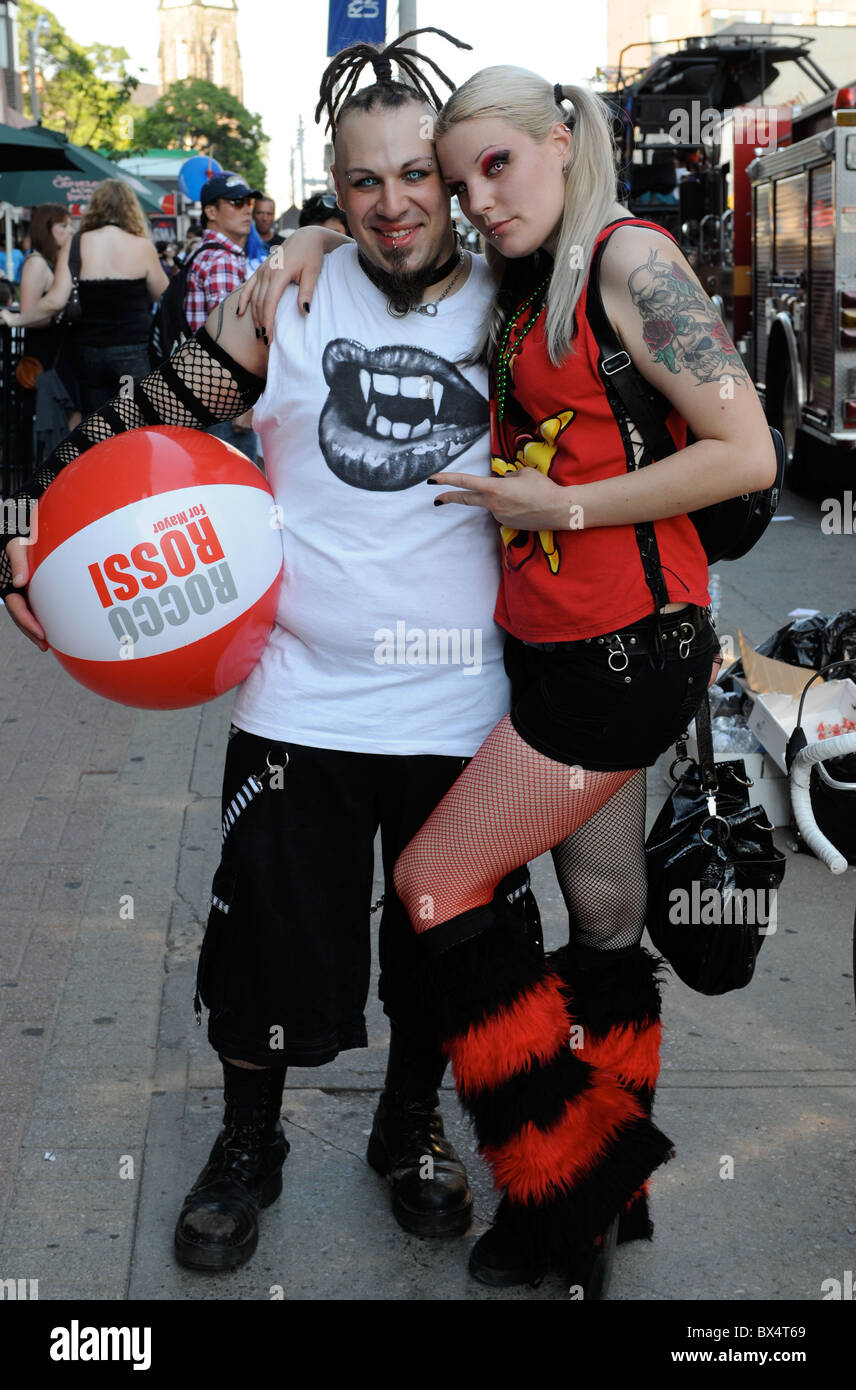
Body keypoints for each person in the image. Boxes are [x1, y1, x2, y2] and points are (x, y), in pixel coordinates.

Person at [0, 30, 540, 1283]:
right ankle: (251, 1143)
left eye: (418, 173)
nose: (393, 201)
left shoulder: (517, 299)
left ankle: (409, 1133)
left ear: (454, 176)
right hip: (301, 696)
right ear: (333, 190)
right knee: (259, 952)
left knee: (440, 948)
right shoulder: (283, 298)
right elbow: (129, 424)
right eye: (363, 181)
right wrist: (26, 534)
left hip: (465, 703)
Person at [253, 61, 774, 1292]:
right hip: (557, 657)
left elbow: (745, 450)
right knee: (604, 918)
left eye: (501, 164)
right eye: (458, 175)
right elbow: (393, 233)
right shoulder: (522, 269)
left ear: (561, 142)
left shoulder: (627, 259)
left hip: (620, 657)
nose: (477, 198)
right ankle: (611, 1202)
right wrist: (321, 228)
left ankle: (560, 1182)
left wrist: (567, 504)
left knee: (436, 881)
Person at [1, 181, 168, 414]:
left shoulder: (76, 243)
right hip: (131, 351)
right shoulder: (142, 246)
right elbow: (164, 294)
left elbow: (55, 301)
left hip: (89, 352)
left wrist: (15, 320)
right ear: (130, 208)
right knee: (132, 419)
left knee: (98, 423)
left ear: (95, 207)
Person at [186, 172, 262, 461]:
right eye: (236, 202)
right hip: (224, 398)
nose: (246, 209)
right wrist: (244, 406)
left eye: (248, 202)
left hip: (202, 392)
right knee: (240, 491)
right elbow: (229, 340)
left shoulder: (202, 253)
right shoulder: (222, 260)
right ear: (210, 211)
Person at [4, 203, 81, 438]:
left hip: (62, 350)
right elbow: (28, 315)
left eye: (69, 225)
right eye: (62, 225)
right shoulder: (36, 263)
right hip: (47, 354)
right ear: (46, 229)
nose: (69, 231)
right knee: (62, 419)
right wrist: (60, 316)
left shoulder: (56, 261)